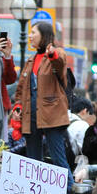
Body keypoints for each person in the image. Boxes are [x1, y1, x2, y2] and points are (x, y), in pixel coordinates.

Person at [18, 21, 71, 177]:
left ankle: (69, 193)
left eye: (33, 32)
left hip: (52, 115)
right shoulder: (30, 61)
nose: (30, 36)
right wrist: (17, 107)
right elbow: (21, 89)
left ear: (44, 35)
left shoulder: (57, 53)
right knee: (33, 161)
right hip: (31, 116)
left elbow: (60, 64)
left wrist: (52, 54)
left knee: (58, 159)